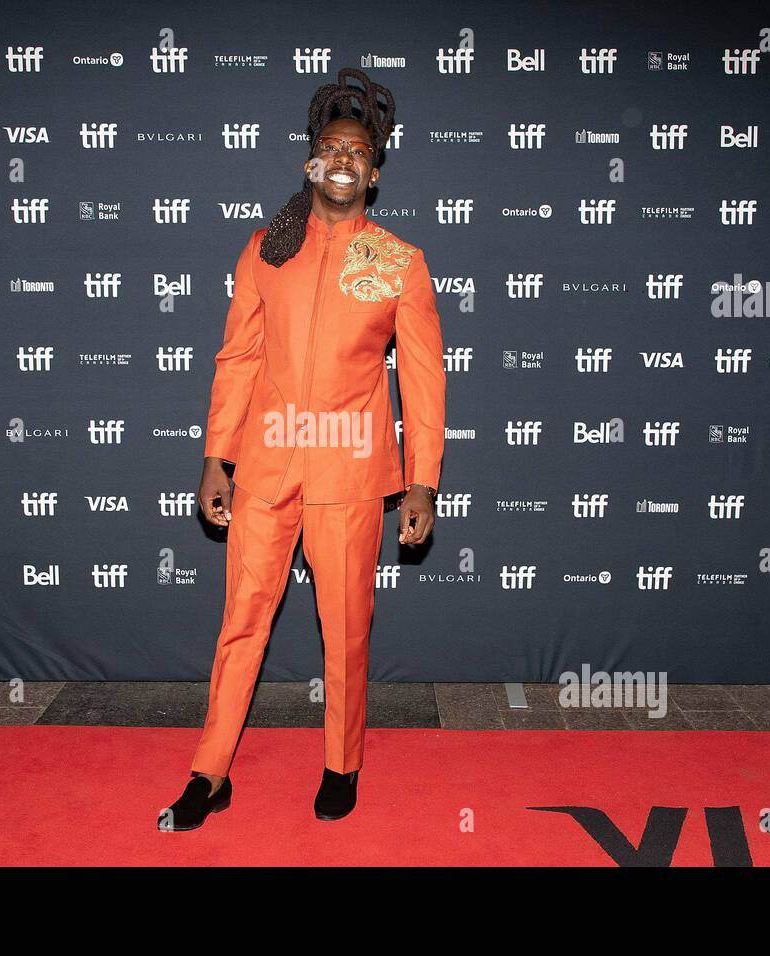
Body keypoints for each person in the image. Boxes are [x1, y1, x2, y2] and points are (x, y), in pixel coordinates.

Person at [157, 68, 446, 831]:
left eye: (359, 150)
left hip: (350, 473)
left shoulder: (399, 261)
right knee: (241, 619)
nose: (343, 158)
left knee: (346, 627)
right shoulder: (265, 248)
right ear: (311, 163)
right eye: (330, 146)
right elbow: (238, 358)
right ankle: (210, 771)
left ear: (374, 172)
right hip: (267, 466)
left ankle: (342, 763)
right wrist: (217, 456)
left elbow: (422, 379)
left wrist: (423, 482)